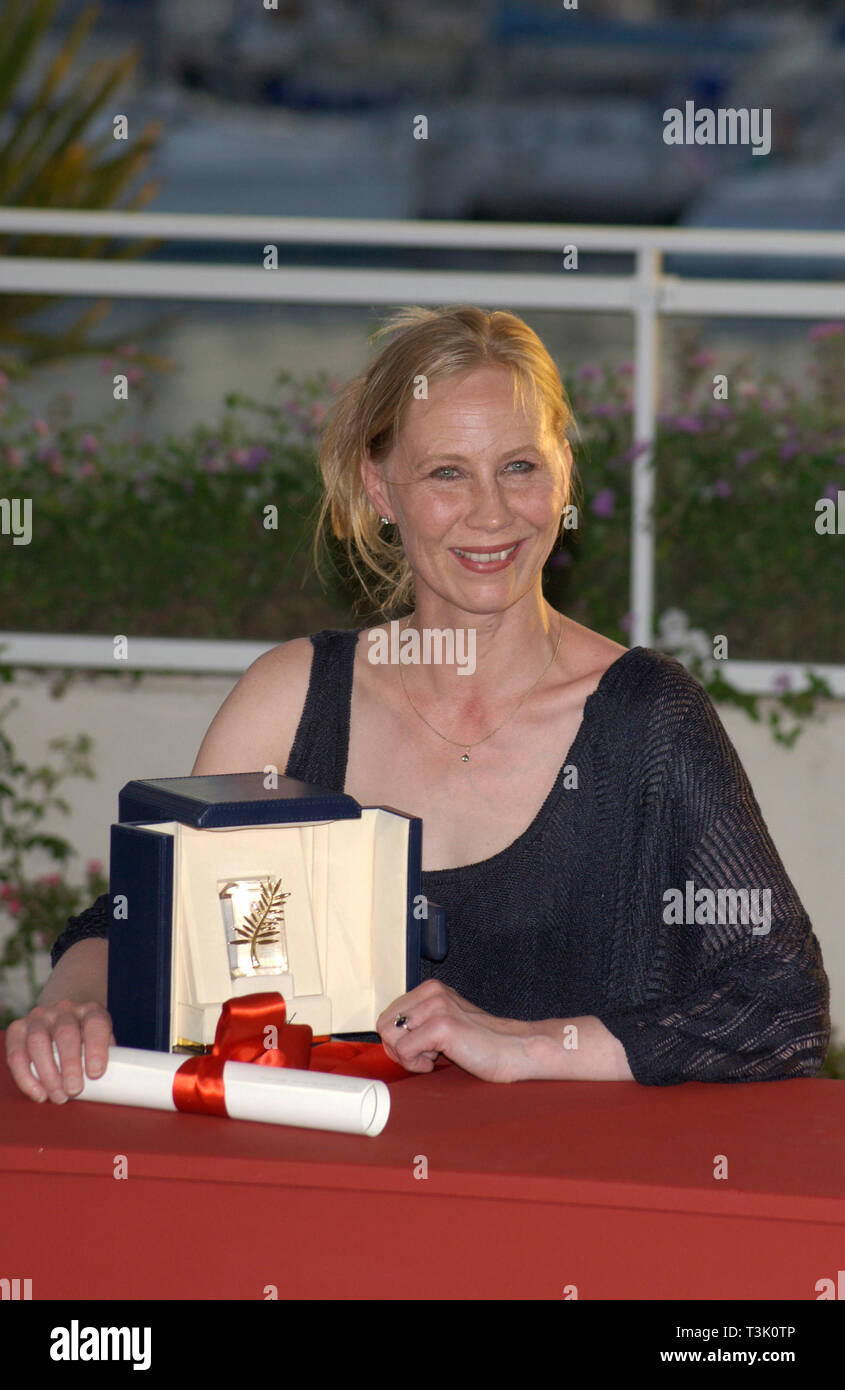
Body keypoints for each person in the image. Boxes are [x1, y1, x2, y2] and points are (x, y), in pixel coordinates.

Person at [5, 304, 830, 1104]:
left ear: (562, 471)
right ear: (378, 488)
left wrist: (531, 1043)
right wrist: (69, 1000)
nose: (492, 513)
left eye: (519, 465)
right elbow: (145, 914)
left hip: (564, 1219)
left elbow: (783, 1003)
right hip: (320, 1204)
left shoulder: (647, 719)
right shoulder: (290, 702)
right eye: (446, 473)